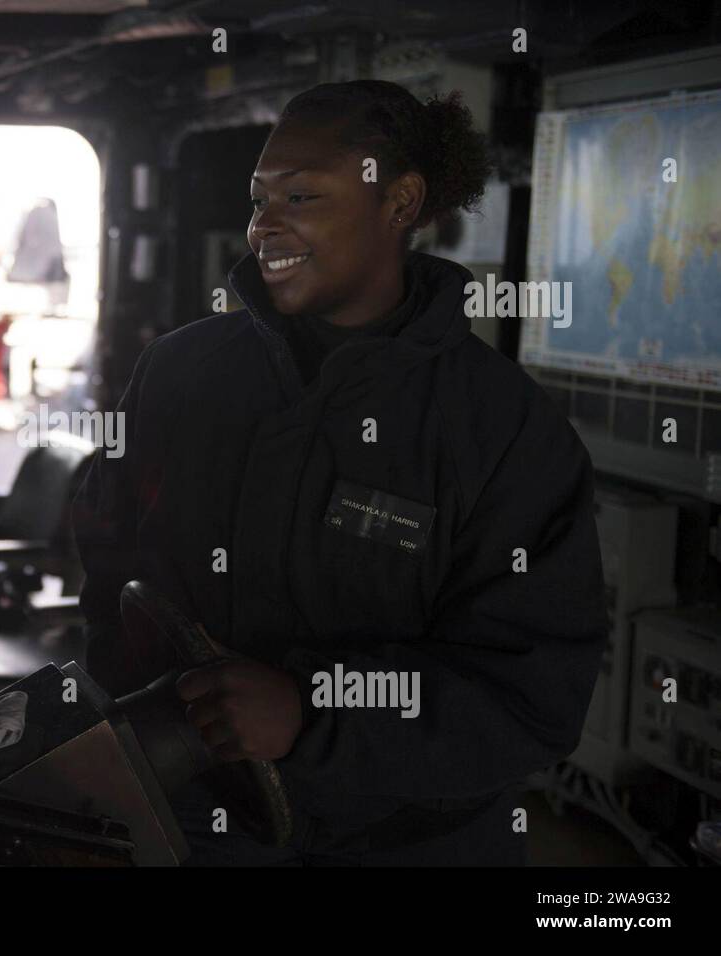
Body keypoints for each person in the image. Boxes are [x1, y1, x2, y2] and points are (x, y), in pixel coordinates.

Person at [71, 80, 606, 865]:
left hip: (410, 846)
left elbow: (532, 696)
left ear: (400, 202)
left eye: (299, 196)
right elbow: (108, 563)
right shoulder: (179, 372)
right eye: (258, 199)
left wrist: (314, 711)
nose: (263, 227)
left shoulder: (501, 428)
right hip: (192, 819)